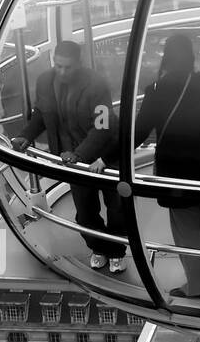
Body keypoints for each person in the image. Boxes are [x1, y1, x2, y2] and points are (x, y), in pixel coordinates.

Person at [134, 34, 200, 298]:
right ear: (191, 56)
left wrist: (113, 154)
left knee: (185, 223)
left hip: (176, 169)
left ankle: (198, 286)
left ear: (166, 58)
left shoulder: (156, 89)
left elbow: (140, 131)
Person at [11, 40, 127, 274]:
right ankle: (98, 248)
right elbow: (41, 114)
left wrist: (79, 154)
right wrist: (26, 135)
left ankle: (116, 251)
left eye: (68, 67)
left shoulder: (96, 85)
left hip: (105, 155)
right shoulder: (45, 81)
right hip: (71, 159)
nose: (62, 71)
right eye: (58, 66)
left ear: (79, 63)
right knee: (85, 211)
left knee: (116, 208)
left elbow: (103, 127)